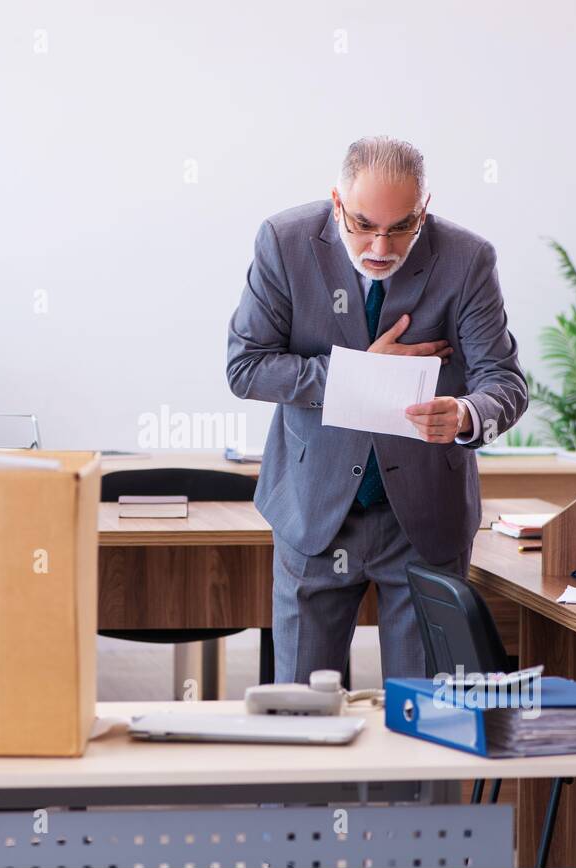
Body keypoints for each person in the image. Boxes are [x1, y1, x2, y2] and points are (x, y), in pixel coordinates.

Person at [226, 135, 528, 682]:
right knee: (302, 718)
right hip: (313, 508)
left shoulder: (467, 259)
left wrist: (464, 414)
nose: (381, 248)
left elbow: (504, 381)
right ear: (337, 203)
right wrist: (360, 372)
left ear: (424, 208)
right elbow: (245, 367)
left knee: (428, 723)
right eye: (364, 225)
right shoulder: (284, 241)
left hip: (423, 520)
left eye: (400, 227)